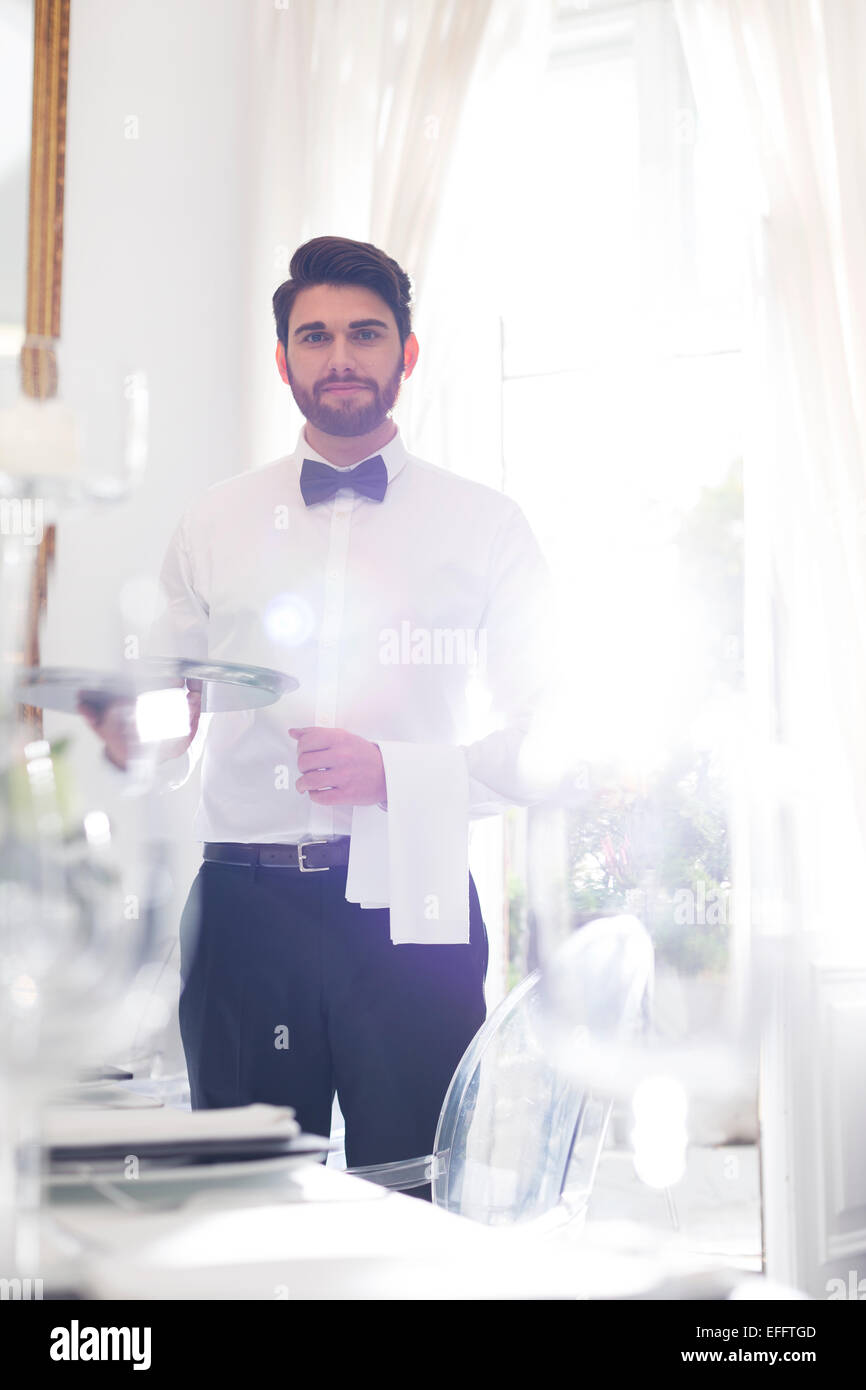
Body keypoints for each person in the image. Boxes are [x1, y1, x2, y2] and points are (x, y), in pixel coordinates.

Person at [81, 235, 552, 1197]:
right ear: (286, 358)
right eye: (316, 336)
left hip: (412, 908)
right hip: (243, 914)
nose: (340, 357)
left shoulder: (489, 526)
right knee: (242, 1201)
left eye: (366, 334)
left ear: (406, 355)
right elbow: (185, 711)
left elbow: (545, 739)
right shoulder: (210, 523)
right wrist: (144, 738)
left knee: (415, 1198)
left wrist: (398, 774)